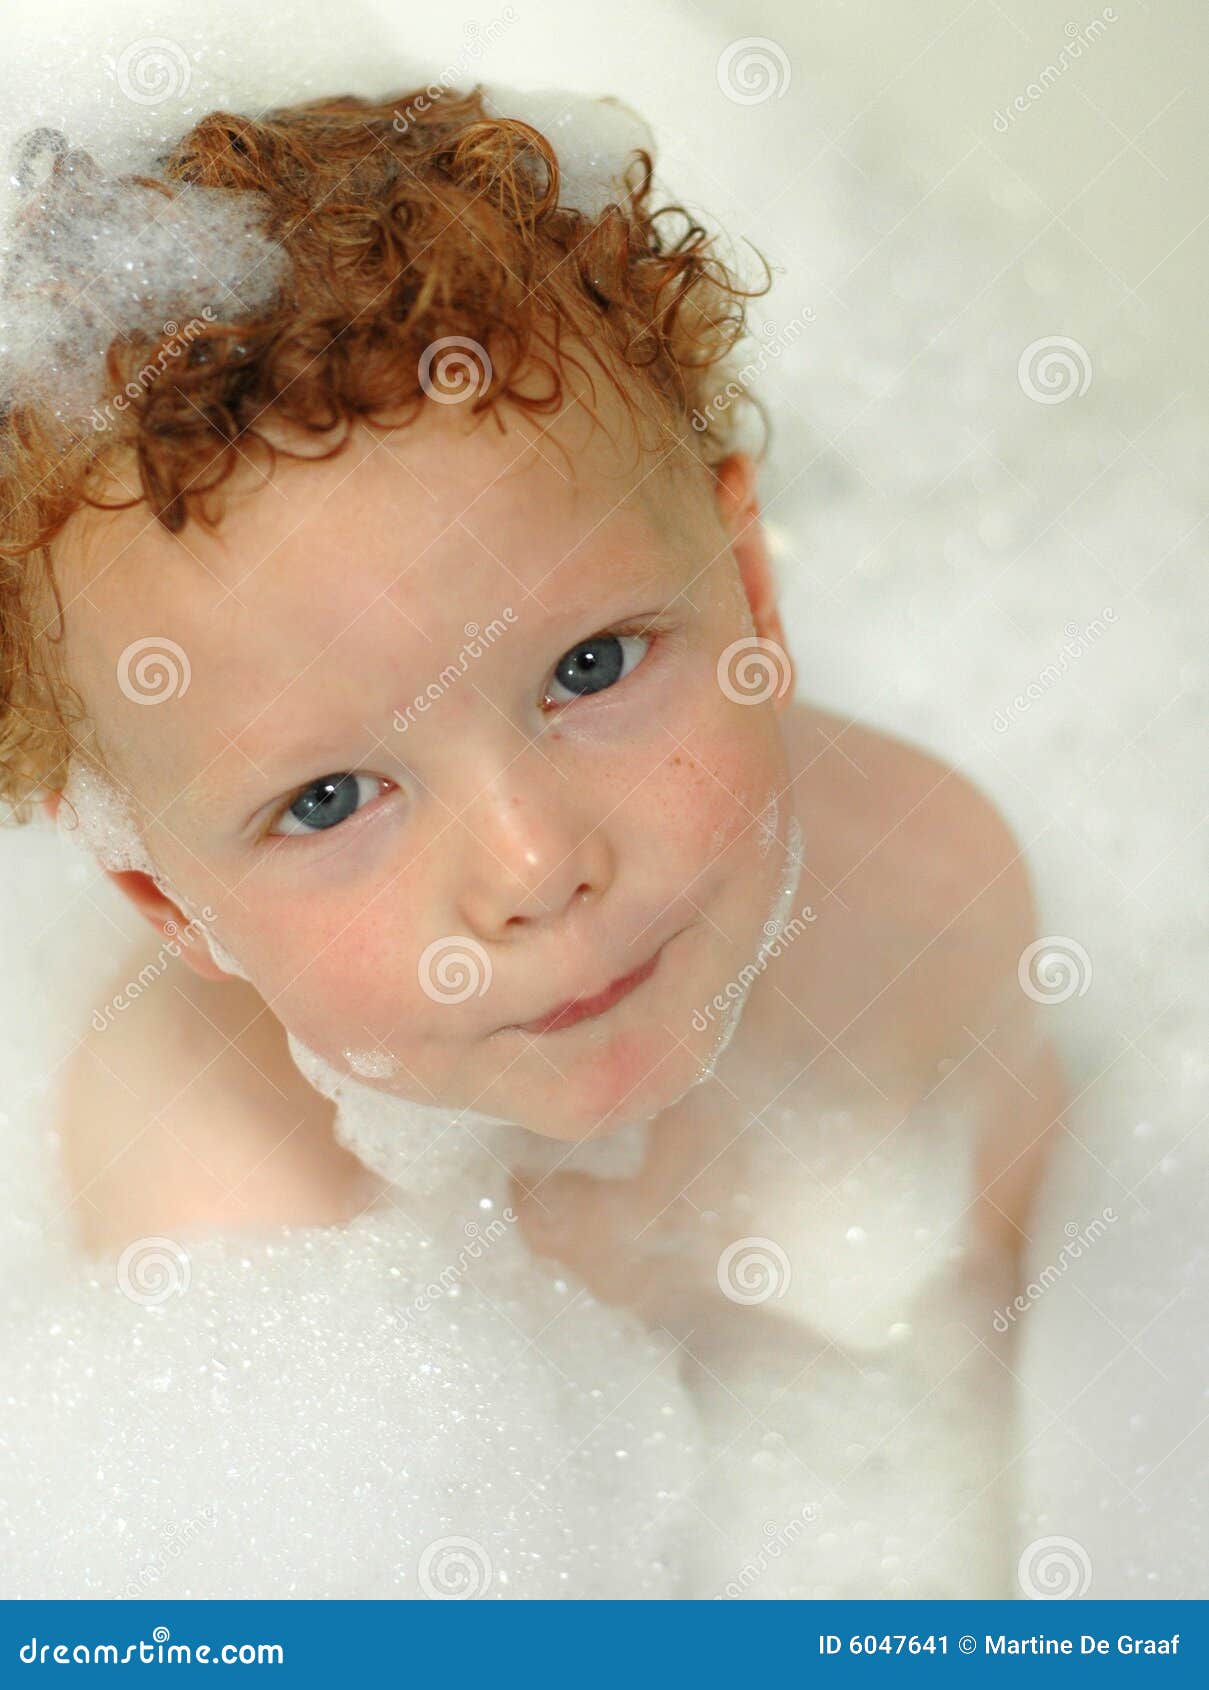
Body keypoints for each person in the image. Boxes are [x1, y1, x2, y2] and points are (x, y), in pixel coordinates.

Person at [1, 86, 1064, 1325]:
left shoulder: (928, 896)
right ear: (171, 904)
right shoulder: (235, 1239)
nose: (537, 863)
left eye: (593, 667)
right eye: (330, 799)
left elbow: (1012, 1323)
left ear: (752, 592)